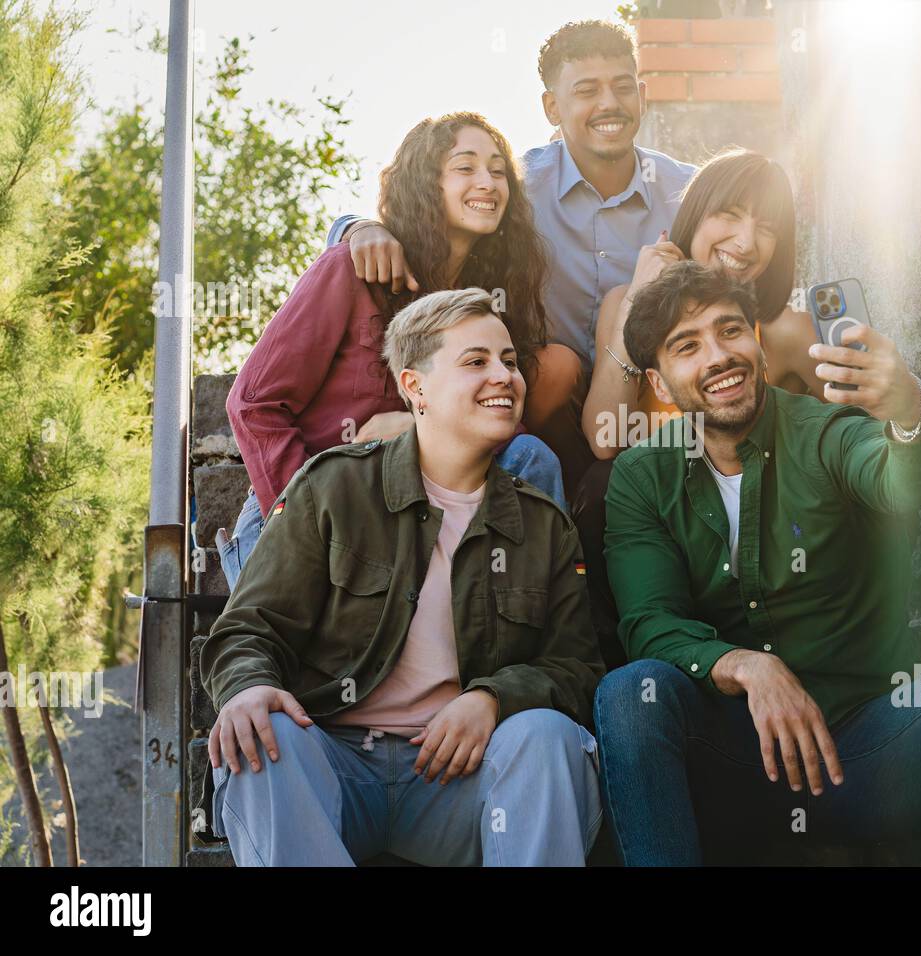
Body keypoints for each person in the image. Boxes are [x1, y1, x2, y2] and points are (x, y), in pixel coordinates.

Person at [593, 261, 921, 866]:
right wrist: (746, 667)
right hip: (735, 764)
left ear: (760, 346)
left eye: (730, 331)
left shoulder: (825, 432)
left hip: (866, 751)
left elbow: (897, 483)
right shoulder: (642, 474)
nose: (719, 356)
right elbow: (649, 622)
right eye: (687, 346)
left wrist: (907, 415)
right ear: (660, 383)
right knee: (629, 695)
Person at [200, 288, 605, 866]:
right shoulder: (332, 487)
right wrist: (245, 688)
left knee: (547, 737)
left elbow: (577, 670)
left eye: (510, 362)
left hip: (463, 782)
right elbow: (248, 627)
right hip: (334, 774)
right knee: (261, 732)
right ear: (415, 388)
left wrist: (493, 698)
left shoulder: (543, 525)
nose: (504, 377)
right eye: (476, 361)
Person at [328, 19, 697, 496]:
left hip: (642, 396)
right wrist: (358, 227)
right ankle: (548, 504)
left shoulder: (683, 192)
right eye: (586, 90)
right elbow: (419, 213)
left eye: (622, 87)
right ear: (551, 107)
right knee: (556, 366)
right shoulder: (514, 187)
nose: (609, 103)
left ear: (641, 96)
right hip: (544, 402)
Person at [219, 111, 565, 589]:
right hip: (307, 512)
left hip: (414, 511)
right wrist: (313, 512)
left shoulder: (486, 299)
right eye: (465, 167)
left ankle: (539, 636)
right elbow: (254, 405)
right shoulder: (352, 269)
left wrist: (421, 429)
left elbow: (496, 415)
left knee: (529, 457)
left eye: (498, 170)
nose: (487, 182)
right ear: (426, 183)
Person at [575, 149, 821, 665]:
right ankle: (626, 675)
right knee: (600, 482)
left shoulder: (784, 330)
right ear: (694, 215)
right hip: (663, 531)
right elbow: (604, 435)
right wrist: (639, 303)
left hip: (764, 536)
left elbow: (841, 437)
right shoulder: (624, 302)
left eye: (767, 227)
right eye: (729, 215)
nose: (746, 242)